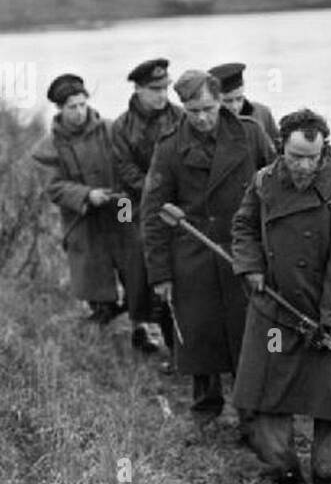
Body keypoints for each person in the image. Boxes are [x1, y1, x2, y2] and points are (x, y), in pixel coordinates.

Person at [231, 108, 331, 484]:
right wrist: (250, 266)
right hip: (275, 310)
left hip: (328, 307)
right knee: (268, 392)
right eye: (295, 156)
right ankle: (283, 473)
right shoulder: (263, 182)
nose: (303, 165)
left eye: (311, 157)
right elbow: (243, 227)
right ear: (282, 148)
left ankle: (328, 481)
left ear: (323, 149)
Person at [140, 69, 273, 436]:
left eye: (209, 108)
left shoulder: (250, 134)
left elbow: (277, 184)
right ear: (183, 107)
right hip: (193, 257)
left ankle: (253, 412)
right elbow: (153, 213)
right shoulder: (169, 148)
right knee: (198, 336)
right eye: (193, 110)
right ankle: (205, 410)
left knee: (249, 335)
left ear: (221, 101)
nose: (202, 117)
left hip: (243, 253)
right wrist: (161, 274)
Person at [30, 72, 144, 330]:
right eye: (73, 107)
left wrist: (125, 192)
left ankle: (142, 323)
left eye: (83, 104)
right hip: (82, 216)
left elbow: (131, 163)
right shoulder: (48, 147)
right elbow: (53, 186)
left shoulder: (112, 129)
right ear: (60, 109)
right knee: (92, 269)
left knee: (135, 258)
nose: (80, 112)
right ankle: (102, 314)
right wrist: (86, 195)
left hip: (122, 207)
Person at [111, 57, 182, 354]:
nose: (162, 95)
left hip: (178, 202)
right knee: (138, 254)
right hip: (135, 202)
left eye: (165, 88)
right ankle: (143, 323)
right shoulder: (122, 126)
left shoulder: (180, 117)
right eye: (155, 89)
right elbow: (124, 168)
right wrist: (154, 192)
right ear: (139, 89)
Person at [212, 62, 281, 149]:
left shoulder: (262, 112)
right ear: (215, 100)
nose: (235, 107)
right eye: (227, 101)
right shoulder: (209, 121)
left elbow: (279, 145)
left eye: (239, 99)